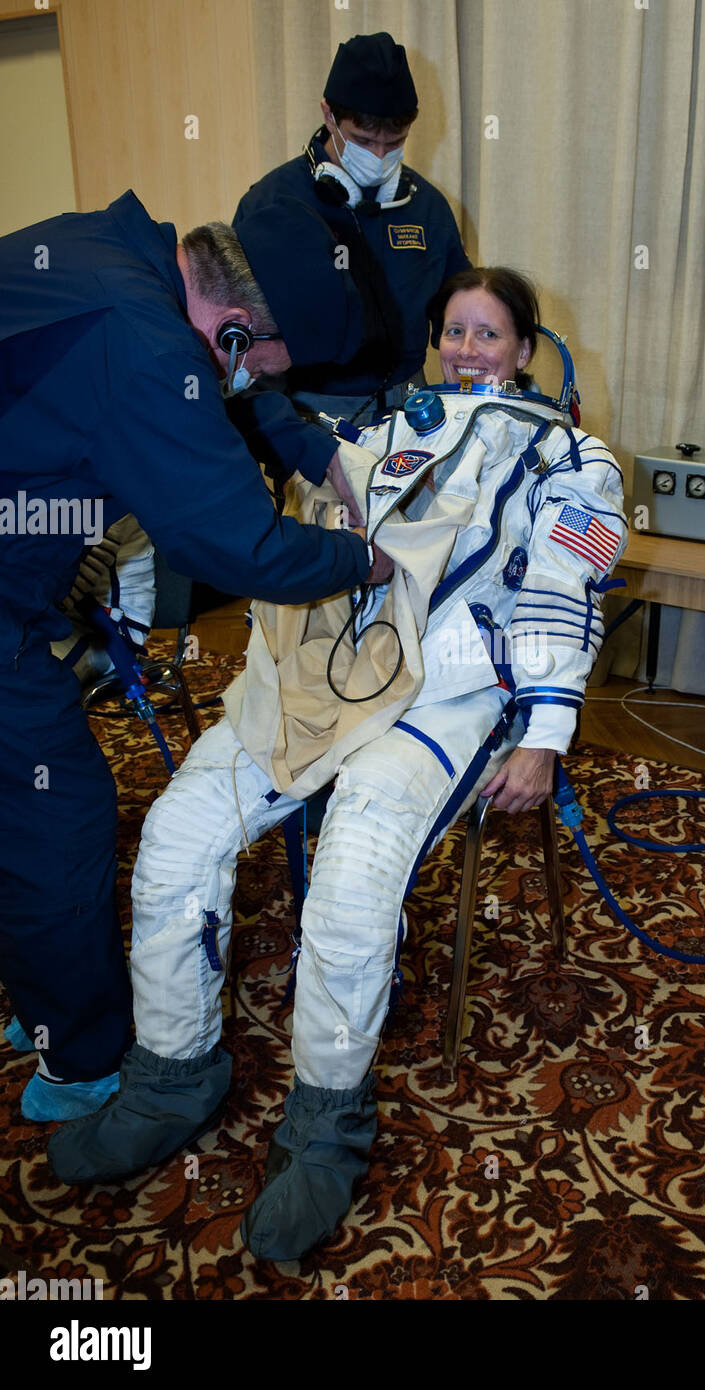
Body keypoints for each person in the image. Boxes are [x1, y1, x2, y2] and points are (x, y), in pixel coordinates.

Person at [48, 268, 628, 1264]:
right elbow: (313, 491)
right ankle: (171, 1072)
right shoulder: (382, 431)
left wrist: (542, 731)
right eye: (453, 331)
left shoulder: (571, 458)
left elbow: (563, 586)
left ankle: (324, 1127)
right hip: (322, 677)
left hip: (446, 694)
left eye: (488, 334)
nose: (466, 350)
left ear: (525, 349)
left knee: (353, 882)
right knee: (177, 835)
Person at [0, 190, 374, 1123]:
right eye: (258, 369)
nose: (249, 387)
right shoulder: (143, 341)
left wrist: (318, 455)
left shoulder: (125, 254)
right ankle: (78, 1059)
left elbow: (232, 400)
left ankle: (44, 991)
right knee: (62, 815)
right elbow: (238, 547)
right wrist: (362, 558)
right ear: (237, 330)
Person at [233, 30, 470, 425]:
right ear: (329, 115)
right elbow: (244, 331)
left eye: (394, 142)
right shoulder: (270, 203)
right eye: (363, 140)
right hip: (314, 410)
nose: (379, 156)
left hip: (413, 403)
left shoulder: (427, 206)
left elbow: (460, 308)